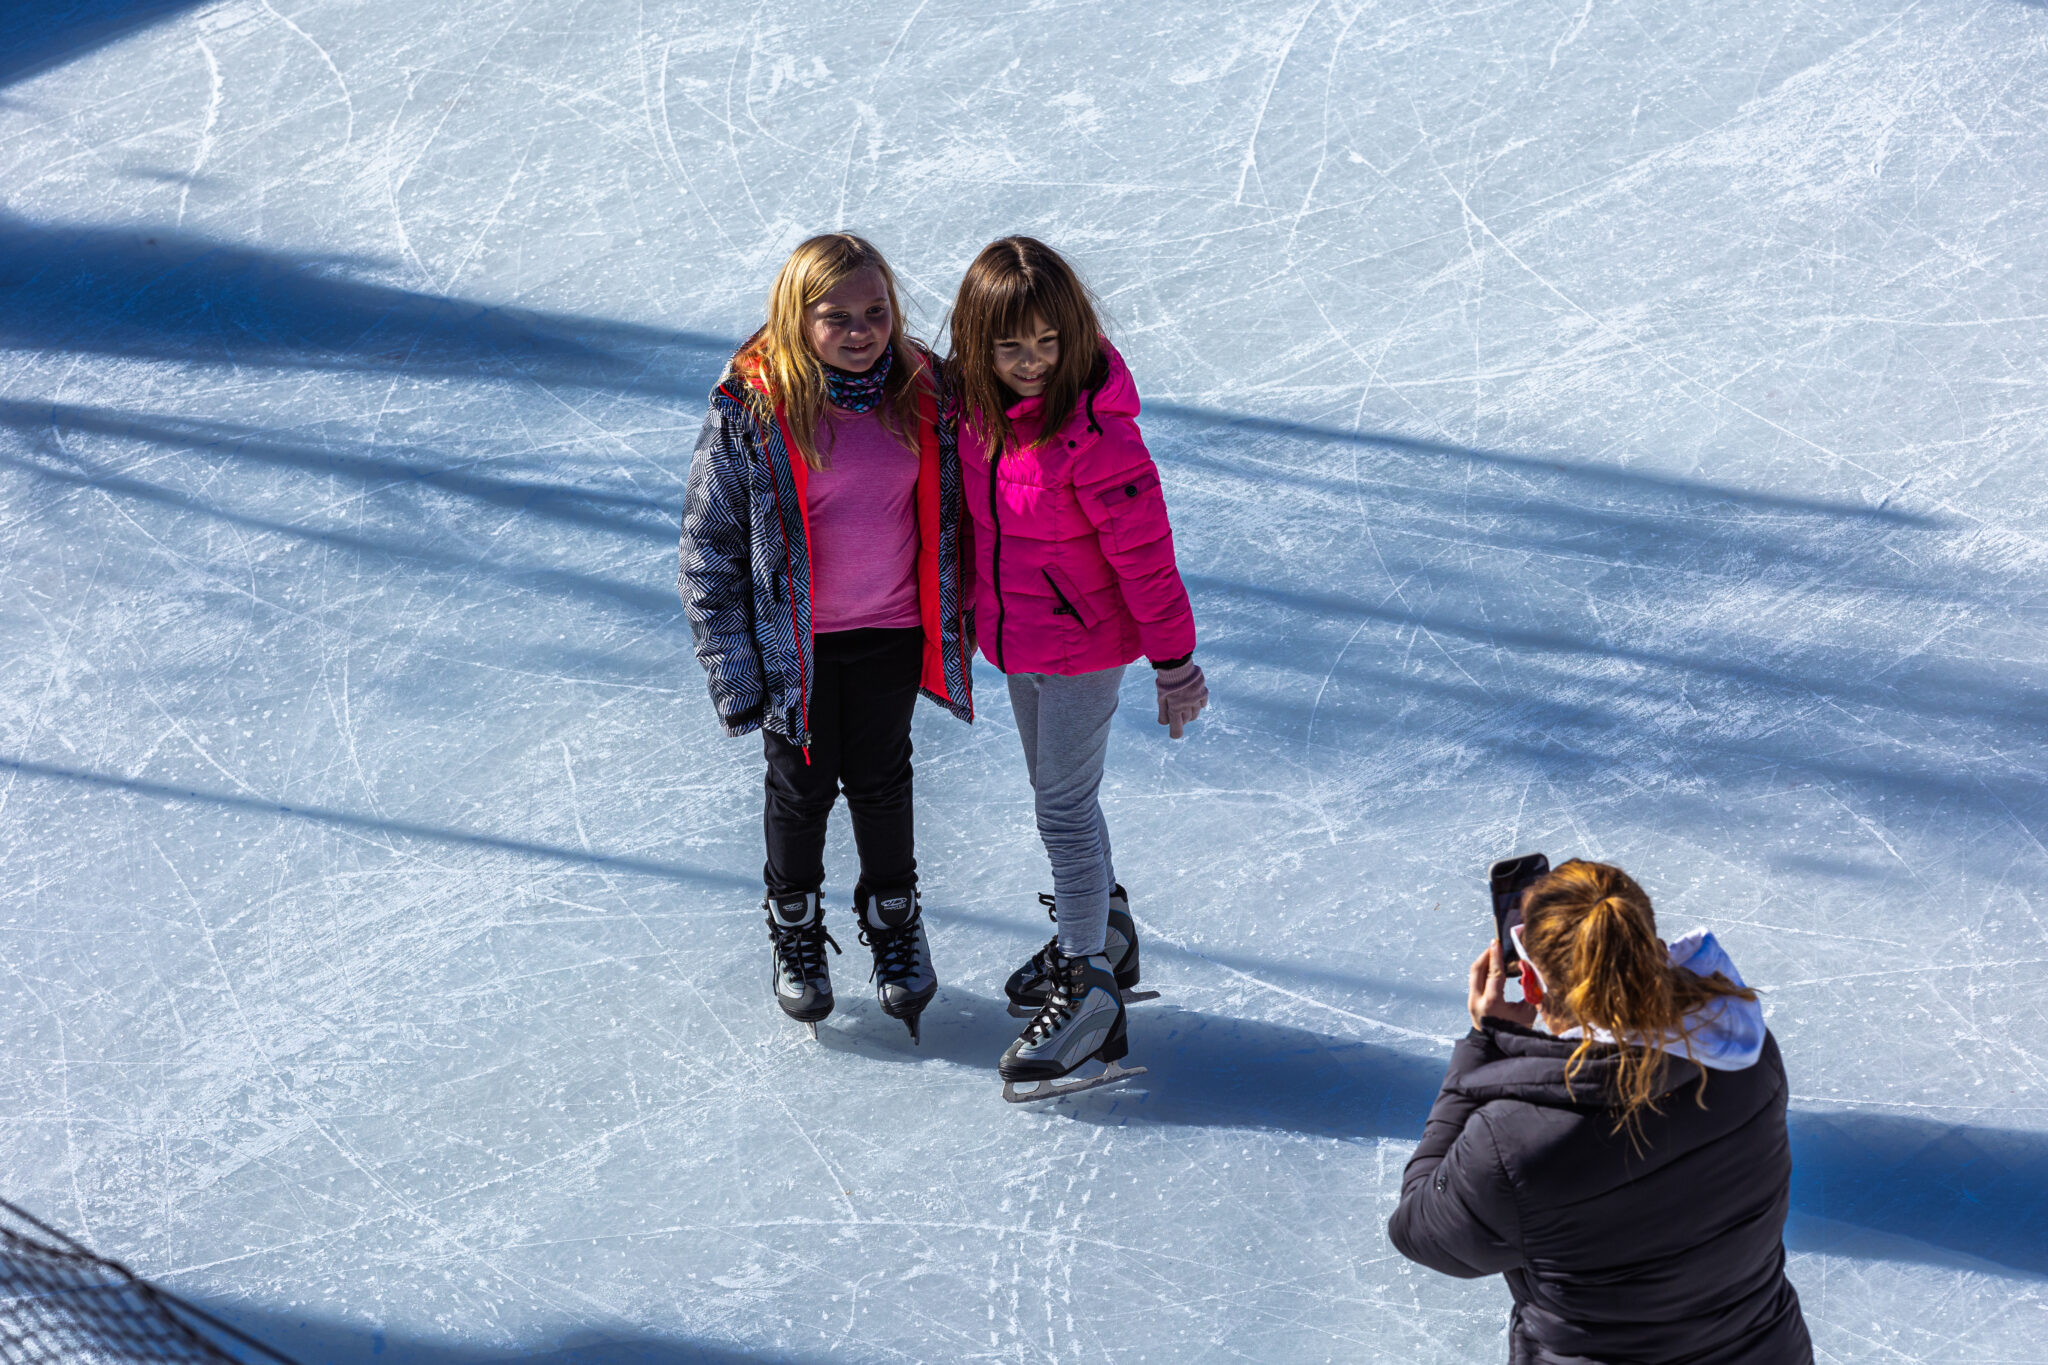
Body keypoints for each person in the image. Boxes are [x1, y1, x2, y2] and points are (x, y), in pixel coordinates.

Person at [678, 233, 972, 1043]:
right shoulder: (753, 405)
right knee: (801, 788)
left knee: (882, 779)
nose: (860, 330)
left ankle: (893, 921)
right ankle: (797, 930)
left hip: (890, 630)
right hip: (792, 644)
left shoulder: (924, 389)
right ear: (796, 318)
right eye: (836, 316)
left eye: (875, 312)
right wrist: (734, 669)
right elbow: (710, 544)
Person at [946, 236, 1207, 1101]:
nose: (1031, 363)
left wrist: (1175, 663)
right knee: (1061, 800)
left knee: (1060, 809)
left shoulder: (1098, 441)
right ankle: (1110, 931)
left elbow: (1148, 560)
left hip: (1083, 645)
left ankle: (1089, 978)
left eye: (1049, 344)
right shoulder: (978, 414)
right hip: (1019, 638)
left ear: (1078, 336)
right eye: (1010, 346)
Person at [1389, 859, 1812, 1364]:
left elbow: (1419, 1230)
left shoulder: (1513, 1142)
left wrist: (1482, 1050)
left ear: (1530, 984)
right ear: (1655, 953)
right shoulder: (1745, 1054)